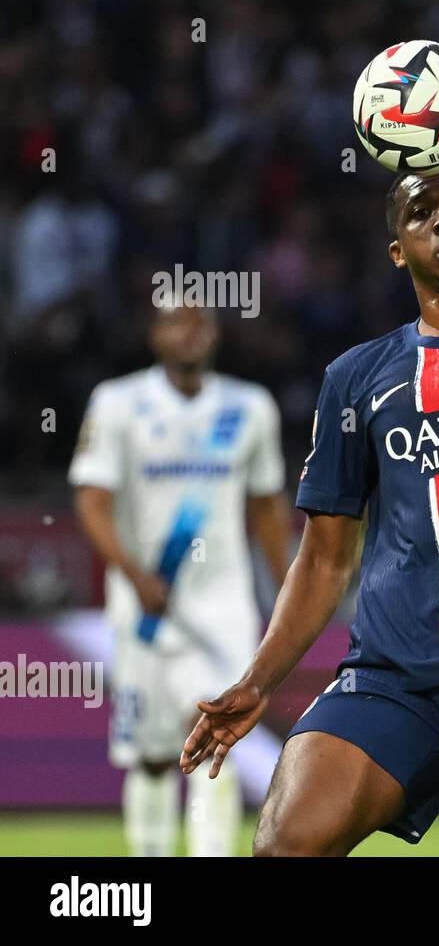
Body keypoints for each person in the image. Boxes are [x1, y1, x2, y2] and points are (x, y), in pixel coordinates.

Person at [180, 166, 439, 856]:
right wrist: (258, 681)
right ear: (396, 251)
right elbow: (324, 557)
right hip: (398, 672)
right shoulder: (355, 377)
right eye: (422, 213)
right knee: (285, 845)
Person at [70, 298, 290, 856]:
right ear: (155, 335)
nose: (189, 332)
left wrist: (289, 585)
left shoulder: (250, 407)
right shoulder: (117, 403)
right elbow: (93, 501)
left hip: (223, 605)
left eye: (200, 322)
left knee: (215, 741)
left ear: (215, 335)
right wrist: (133, 574)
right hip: (146, 611)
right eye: (176, 321)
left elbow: (266, 505)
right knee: (149, 754)